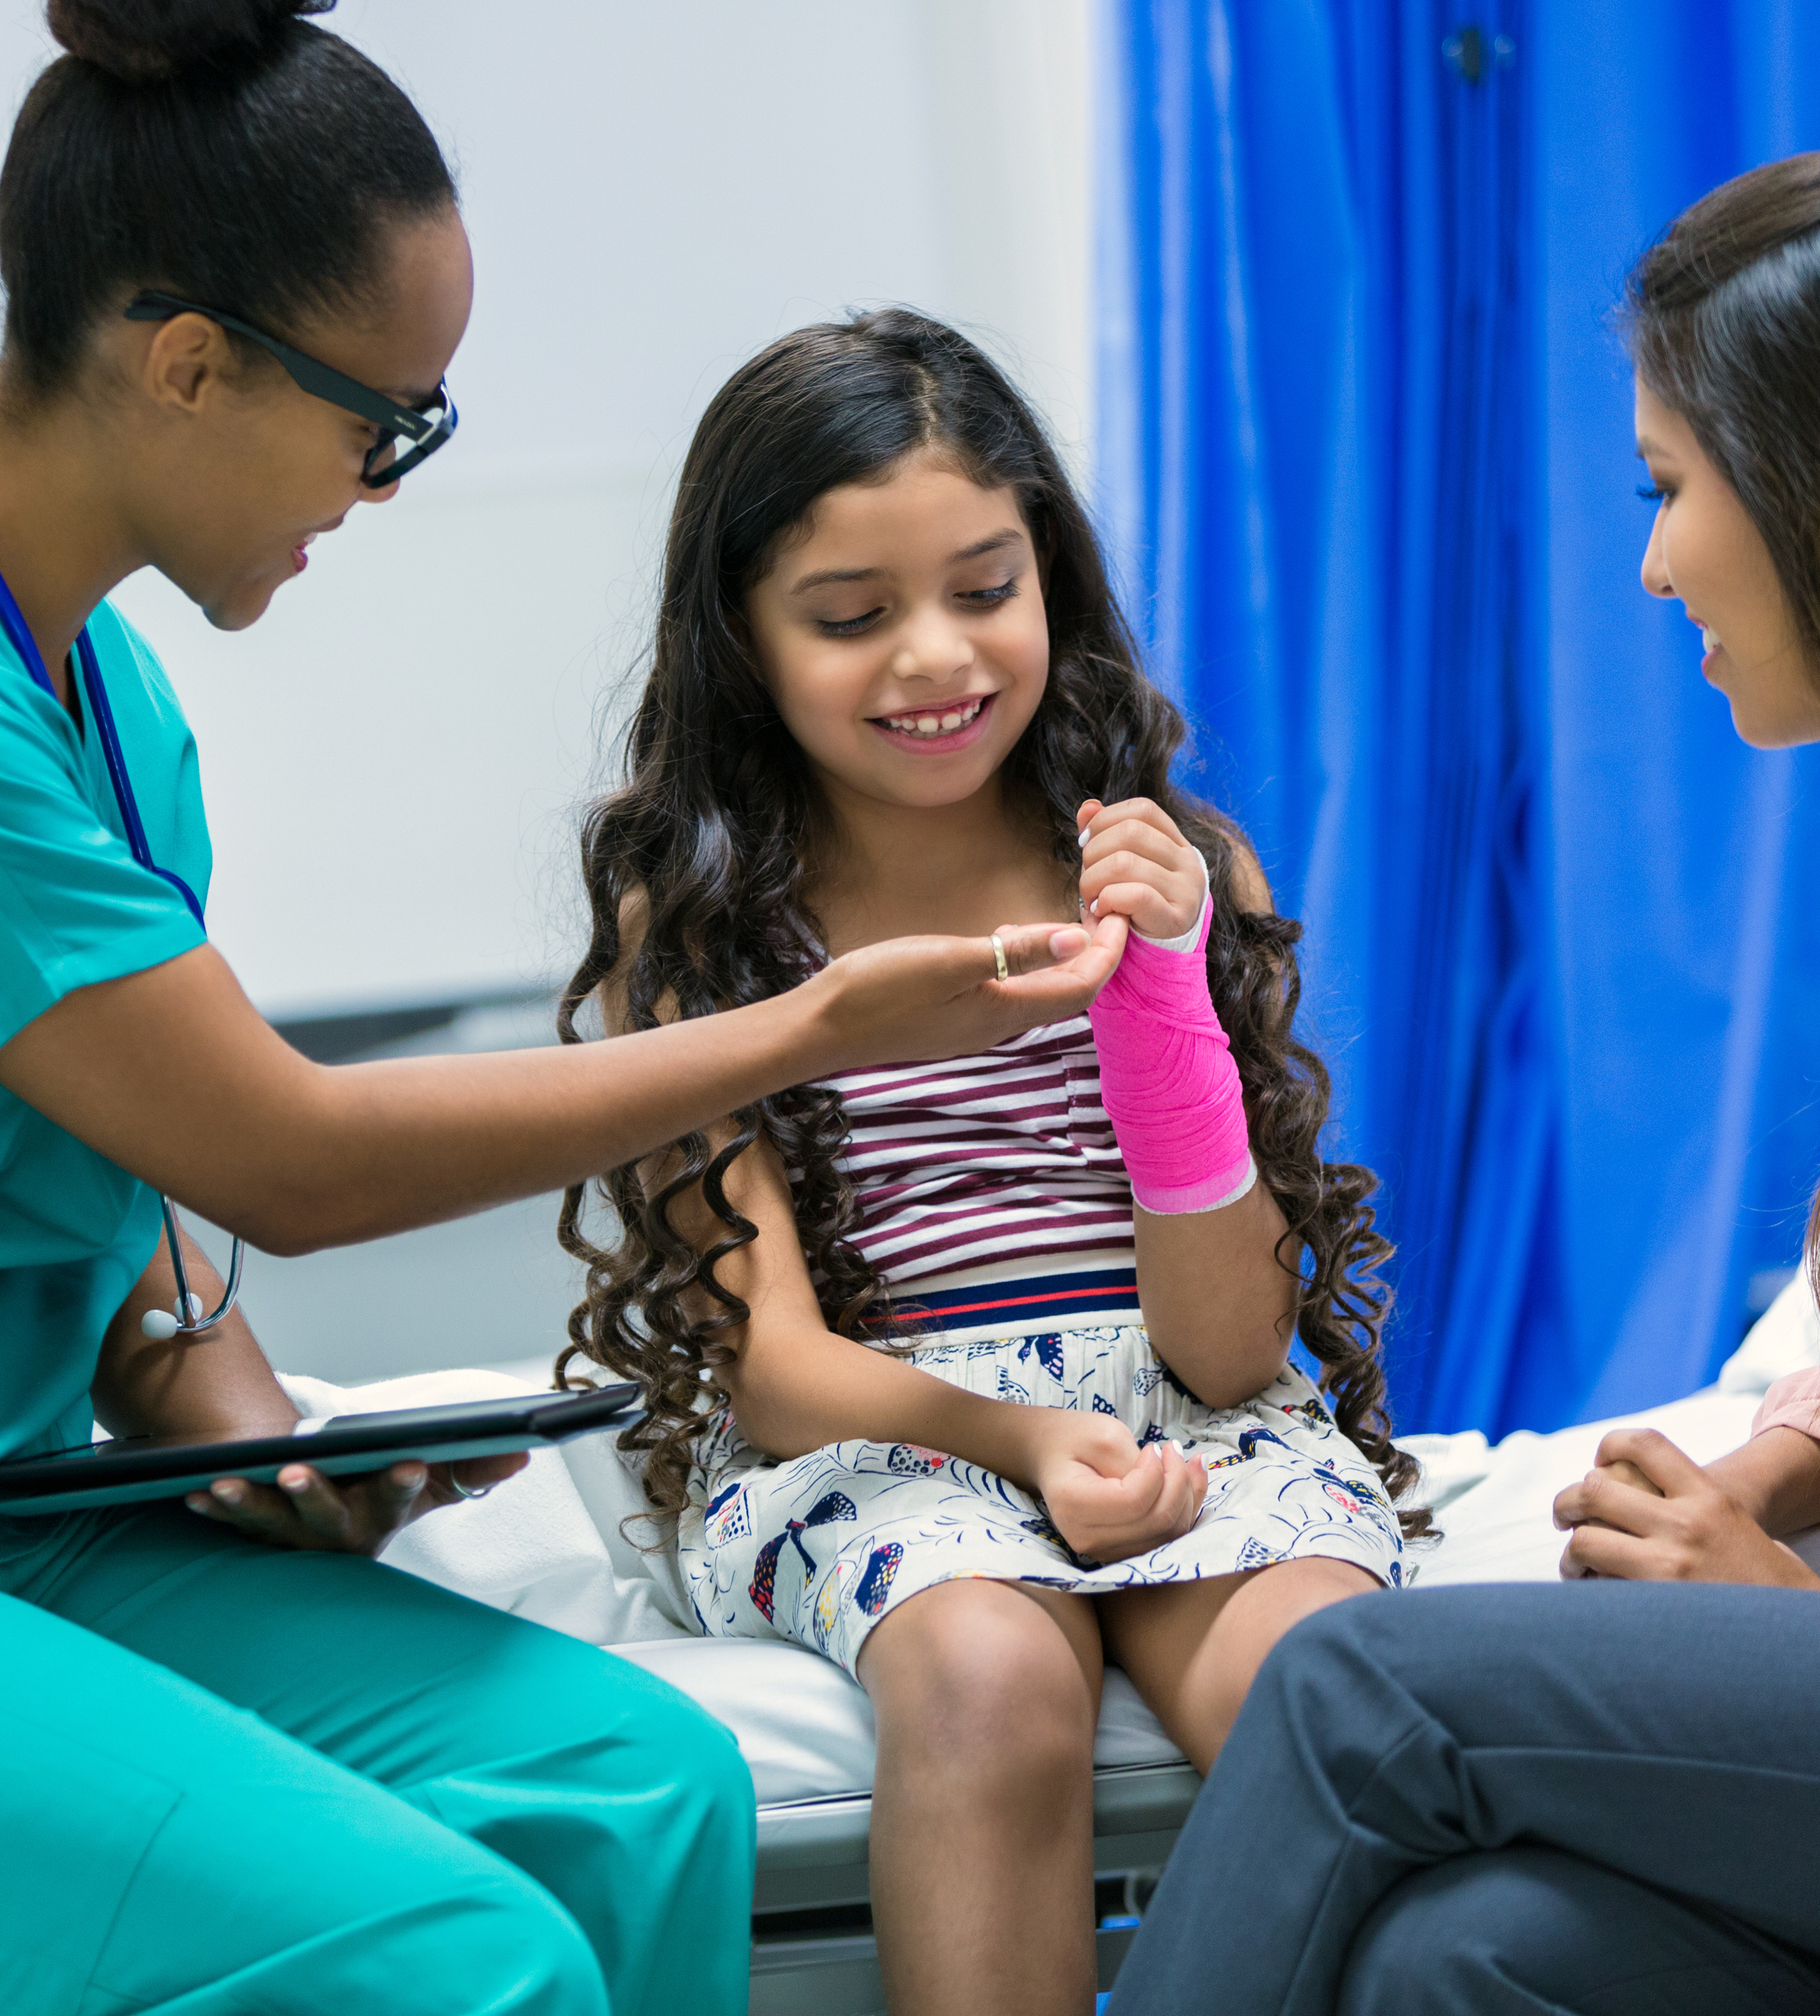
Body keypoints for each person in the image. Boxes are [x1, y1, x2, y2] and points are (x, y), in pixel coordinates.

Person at [0, 9, 1131, 2016]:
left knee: (634, 1788)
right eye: (383, 419)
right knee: (456, 1958)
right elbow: (276, 1158)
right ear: (188, 359)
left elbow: (100, 1157)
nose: (383, 482)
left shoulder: (107, 704)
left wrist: (208, 1395)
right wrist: (809, 1026)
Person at [1110, 148, 1820, 2015]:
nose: (1652, 562)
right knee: (1470, 1956)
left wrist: (1806, 1636)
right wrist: (1784, 1464)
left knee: (1366, 1688)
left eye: (1671, 486)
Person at [555, 311, 1423, 2016]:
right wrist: (1022, 1440)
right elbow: (787, 1374)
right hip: (890, 1428)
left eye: (984, 587)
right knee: (981, 1673)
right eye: (850, 616)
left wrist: (1159, 982)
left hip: (1173, 1411)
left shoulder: (1180, 875)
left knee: (1322, 1687)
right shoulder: (707, 934)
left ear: (1053, 580)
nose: (934, 657)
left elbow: (1231, 1355)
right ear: (741, 637)